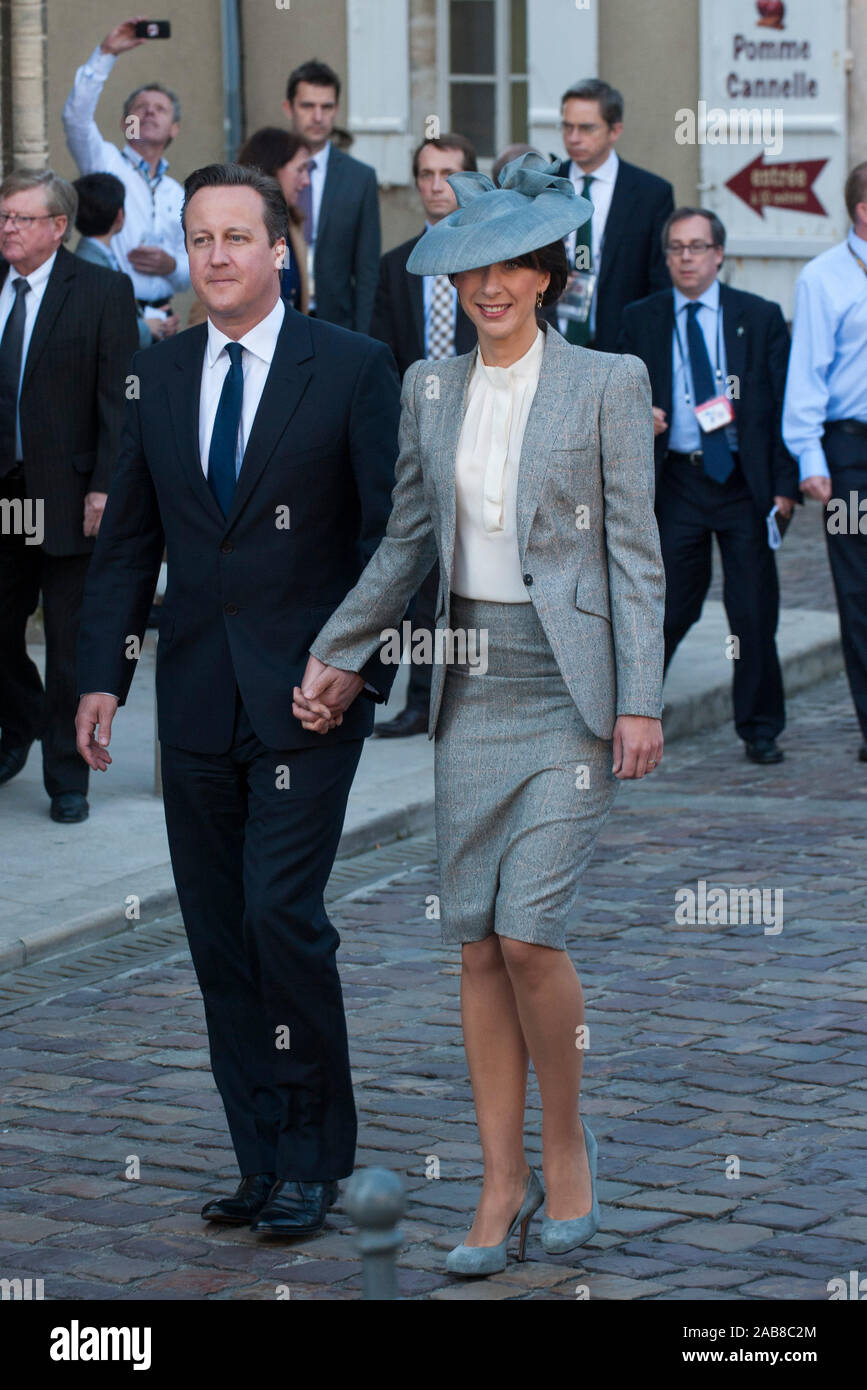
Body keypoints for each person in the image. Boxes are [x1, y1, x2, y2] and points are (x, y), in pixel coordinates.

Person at [294, 154, 665, 1274]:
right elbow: (408, 542)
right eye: (470, 272)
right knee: (475, 946)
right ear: (452, 284)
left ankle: (566, 1154)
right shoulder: (429, 389)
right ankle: (499, 1181)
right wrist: (339, 650)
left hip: (572, 688)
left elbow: (635, 559)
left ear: (547, 275)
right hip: (469, 681)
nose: (490, 286)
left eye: (511, 268)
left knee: (529, 930)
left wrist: (641, 699)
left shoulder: (606, 380)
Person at [75, 163, 400, 1239]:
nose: (215, 255)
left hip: (310, 697)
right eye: (200, 238)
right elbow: (128, 542)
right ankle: (259, 1160)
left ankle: (316, 1156)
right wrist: (99, 677)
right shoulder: (161, 377)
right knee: (219, 935)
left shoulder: (350, 367)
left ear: (278, 251)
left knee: (281, 918)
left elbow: (389, 541)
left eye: (236, 237)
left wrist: (353, 660)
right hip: (199, 700)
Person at [619, 207, 799, 765]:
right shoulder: (641, 319)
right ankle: (634, 710)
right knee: (666, 605)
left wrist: (784, 487)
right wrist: (634, 413)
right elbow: (611, 394)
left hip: (743, 482)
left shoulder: (759, 316)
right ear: (667, 256)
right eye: (677, 248)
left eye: (698, 247)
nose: (687, 258)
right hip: (679, 479)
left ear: (719, 254)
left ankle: (760, 726)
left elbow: (783, 406)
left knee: (751, 611)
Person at [0, 170, 138, 821]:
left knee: (67, 644)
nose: (8, 228)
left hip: (68, 494)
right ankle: (23, 719)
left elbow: (119, 400)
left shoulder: (102, 291)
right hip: (6, 498)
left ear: (58, 227)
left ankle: (66, 777)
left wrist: (106, 486)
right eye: (4, 216)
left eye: (22, 218)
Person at [369, 133, 478, 738]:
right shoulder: (398, 263)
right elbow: (385, 355)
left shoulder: (494, 257)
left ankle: (473, 692)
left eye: (448, 174)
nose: (436, 185)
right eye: (426, 173)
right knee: (418, 570)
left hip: (486, 429)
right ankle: (418, 698)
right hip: (419, 439)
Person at [783, 163, 867, 761]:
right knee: (860, 588)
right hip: (852, 450)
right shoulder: (824, 277)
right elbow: (807, 371)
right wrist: (809, 455)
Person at [62, 16, 190, 329]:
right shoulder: (104, 162)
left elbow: (194, 263)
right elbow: (75, 118)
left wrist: (171, 266)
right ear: (125, 124)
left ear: (174, 129)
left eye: (159, 109)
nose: (148, 112)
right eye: (139, 108)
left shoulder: (178, 192)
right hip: (115, 316)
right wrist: (106, 53)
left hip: (166, 320)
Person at [548, 77, 673, 351]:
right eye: (567, 127)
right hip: (549, 343)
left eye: (586, 128)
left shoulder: (651, 194)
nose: (574, 137)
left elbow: (660, 280)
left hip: (621, 347)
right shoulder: (546, 185)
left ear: (615, 131)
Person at [283, 59, 380, 332]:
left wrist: (363, 337)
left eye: (326, 107)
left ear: (336, 110)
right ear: (288, 108)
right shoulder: (270, 171)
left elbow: (367, 272)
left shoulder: (360, 178)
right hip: (277, 318)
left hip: (337, 324)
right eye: (307, 106)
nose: (317, 117)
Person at [187, 129, 313, 328]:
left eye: (236, 238)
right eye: (300, 169)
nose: (306, 180)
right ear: (275, 167)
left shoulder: (293, 227)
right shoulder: (225, 217)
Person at [72, 172, 179, 347]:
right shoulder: (92, 266)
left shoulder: (98, 256)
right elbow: (104, 328)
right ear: (120, 216)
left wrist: (152, 320)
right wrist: (145, 327)